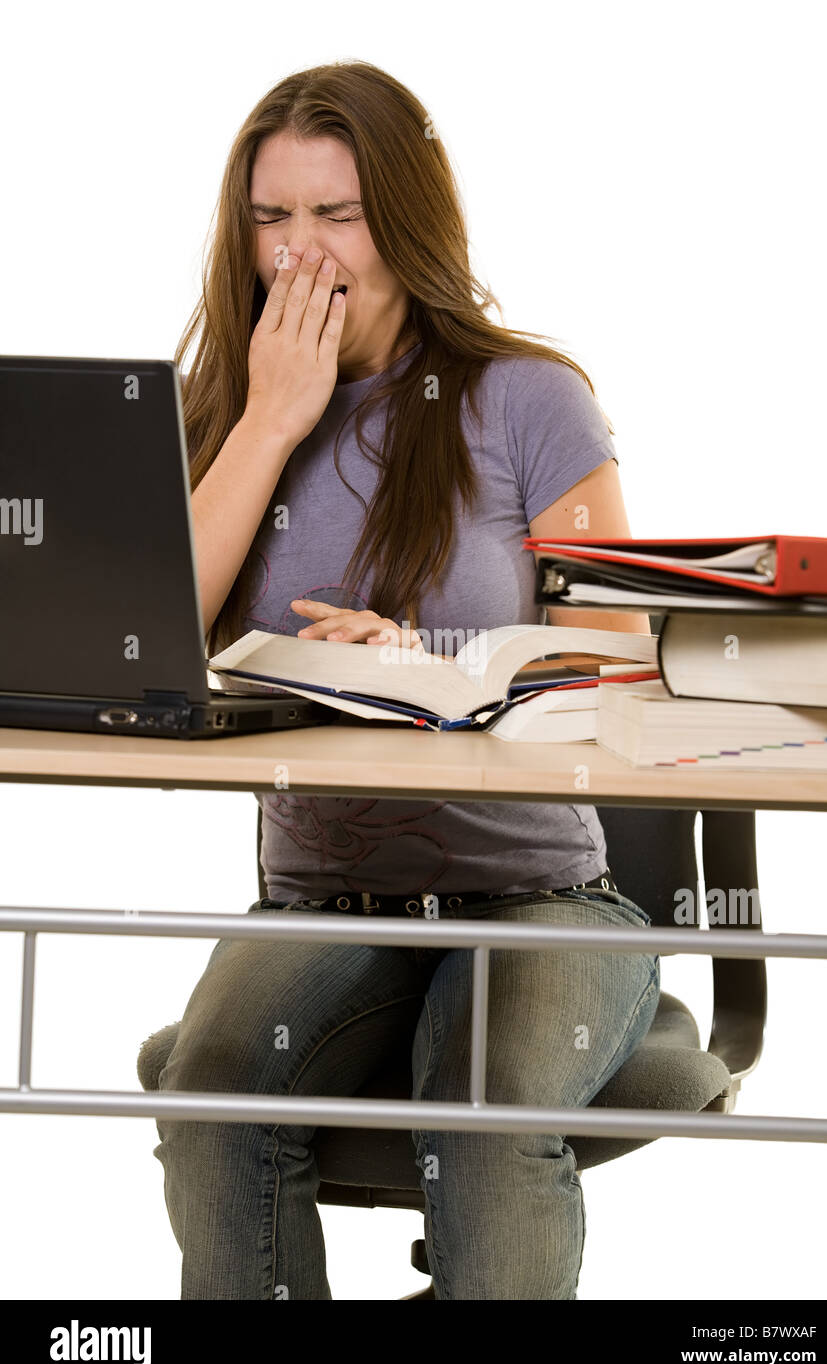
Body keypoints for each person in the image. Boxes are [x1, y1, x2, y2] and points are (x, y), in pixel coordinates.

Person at [152, 59, 660, 1300]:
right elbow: (151, 649)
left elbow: (626, 657)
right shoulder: (219, 412)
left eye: (339, 214)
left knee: (481, 1107)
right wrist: (272, 419)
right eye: (272, 218)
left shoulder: (530, 401)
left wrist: (434, 661)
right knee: (213, 1090)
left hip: (537, 895)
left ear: (407, 218)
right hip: (326, 900)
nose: (301, 253)